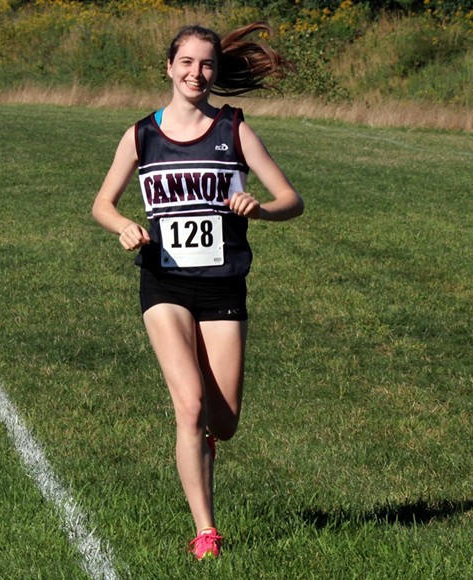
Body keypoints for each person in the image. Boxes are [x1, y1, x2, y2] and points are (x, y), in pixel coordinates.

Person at [91, 22, 303, 560]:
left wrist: (261, 207)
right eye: (186, 62)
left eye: (206, 64)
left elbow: (291, 199)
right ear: (169, 67)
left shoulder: (234, 130)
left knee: (223, 421)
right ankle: (206, 530)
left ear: (216, 71)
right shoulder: (141, 134)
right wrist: (123, 227)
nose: (196, 73)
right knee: (188, 406)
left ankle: (208, 441)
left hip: (223, 284)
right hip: (162, 280)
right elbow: (102, 203)